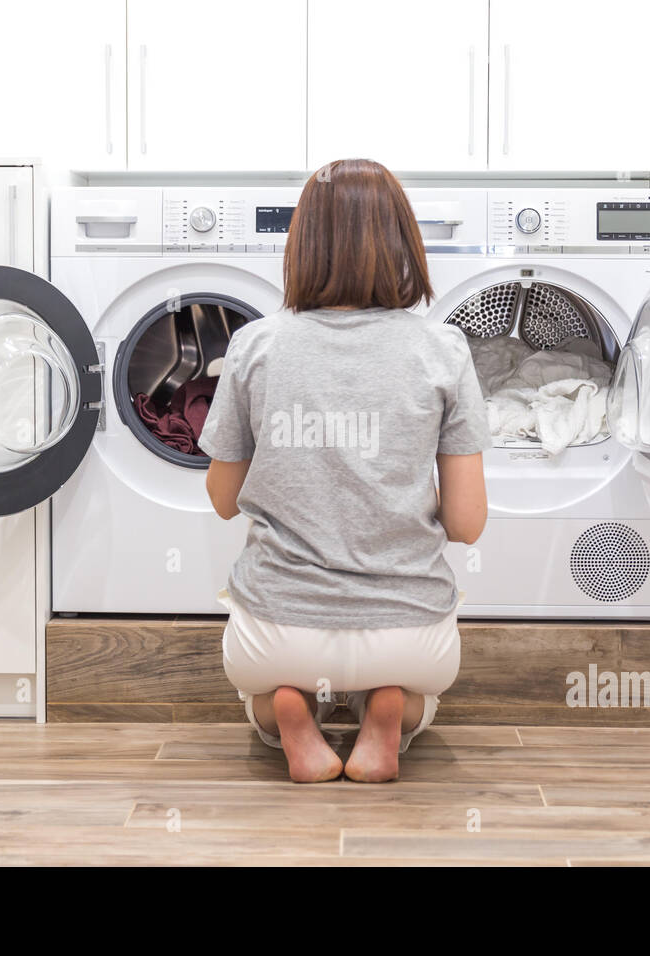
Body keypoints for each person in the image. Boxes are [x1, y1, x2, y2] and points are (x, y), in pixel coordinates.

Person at [199, 158, 489, 783]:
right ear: (404, 245)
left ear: (302, 244)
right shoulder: (443, 349)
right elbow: (467, 523)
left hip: (277, 631)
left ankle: (287, 711)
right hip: (411, 634)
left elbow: (223, 499)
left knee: (262, 688)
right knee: (415, 688)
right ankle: (390, 708)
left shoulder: (255, 345)